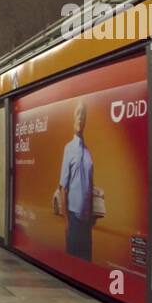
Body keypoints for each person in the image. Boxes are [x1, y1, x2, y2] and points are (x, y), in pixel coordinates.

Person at [59, 100, 95, 261]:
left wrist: (92, 216)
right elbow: (63, 188)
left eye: (83, 114)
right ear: (73, 118)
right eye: (78, 113)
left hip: (86, 221)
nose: (81, 118)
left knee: (86, 260)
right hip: (73, 219)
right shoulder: (68, 149)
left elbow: (91, 185)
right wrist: (66, 221)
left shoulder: (88, 154)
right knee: (73, 261)